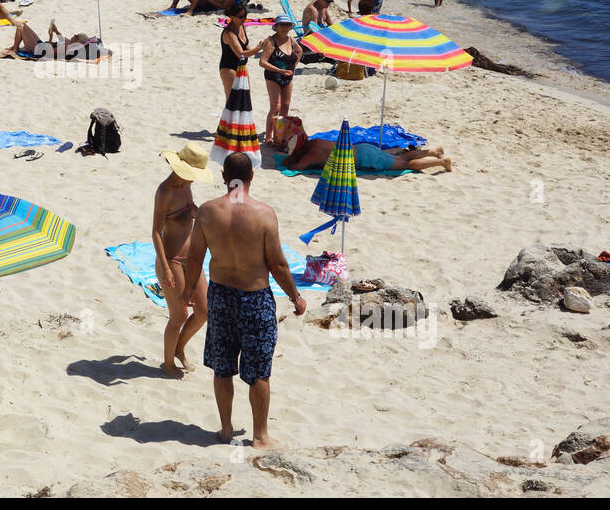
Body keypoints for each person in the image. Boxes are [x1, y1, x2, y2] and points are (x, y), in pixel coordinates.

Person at [183, 152, 307, 447]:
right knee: (259, 372)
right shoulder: (264, 214)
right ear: (252, 176)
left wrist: (189, 289)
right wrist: (296, 296)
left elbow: (195, 258)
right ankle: (260, 436)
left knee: (222, 367)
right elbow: (277, 264)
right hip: (255, 301)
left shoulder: (207, 212)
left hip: (221, 297)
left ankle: (226, 430)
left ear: (225, 178)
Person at [153, 143, 213, 376]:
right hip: (172, 260)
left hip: (193, 258)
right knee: (178, 316)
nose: (192, 179)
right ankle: (168, 364)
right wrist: (166, 269)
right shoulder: (165, 192)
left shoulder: (186, 187)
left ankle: (179, 348)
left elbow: (189, 211)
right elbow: (156, 232)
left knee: (204, 311)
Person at [285, 137, 452, 173]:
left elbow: (295, 168)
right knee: (400, 157)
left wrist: (291, 161)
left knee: (405, 165)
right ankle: (434, 152)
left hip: (364, 158)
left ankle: (441, 162)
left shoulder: (309, 156)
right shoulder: (315, 142)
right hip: (361, 148)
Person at [260, 15, 302, 145]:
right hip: (273, 76)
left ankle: (280, 134)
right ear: (276, 27)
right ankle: (268, 137)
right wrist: (279, 71)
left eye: (287, 25)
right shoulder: (270, 41)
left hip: (288, 76)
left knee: (286, 106)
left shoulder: (291, 40)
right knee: (275, 106)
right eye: (282, 25)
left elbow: (300, 51)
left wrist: (293, 67)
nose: (285, 27)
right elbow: (262, 62)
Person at [218, 3, 266, 100]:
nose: (244, 19)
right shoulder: (229, 33)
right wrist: (258, 49)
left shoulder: (242, 26)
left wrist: (260, 49)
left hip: (242, 66)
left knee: (245, 98)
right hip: (229, 68)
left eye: (245, 15)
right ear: (232, 17)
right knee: (232, 101)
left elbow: (246, 47)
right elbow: (240, 54)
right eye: (240, 17)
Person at [4, 20, 102, 60]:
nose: (72, 36)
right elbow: (61, 38)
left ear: (76, 39)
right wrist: (55, 30)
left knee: (20, 26)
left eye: (74, 35)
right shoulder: (70, 45)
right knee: (24, 26)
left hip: (37, 50)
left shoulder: (67, 48)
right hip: (41, 45)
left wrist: (50, 37)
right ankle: (14, 46)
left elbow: (48, 52)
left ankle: (15, 49)